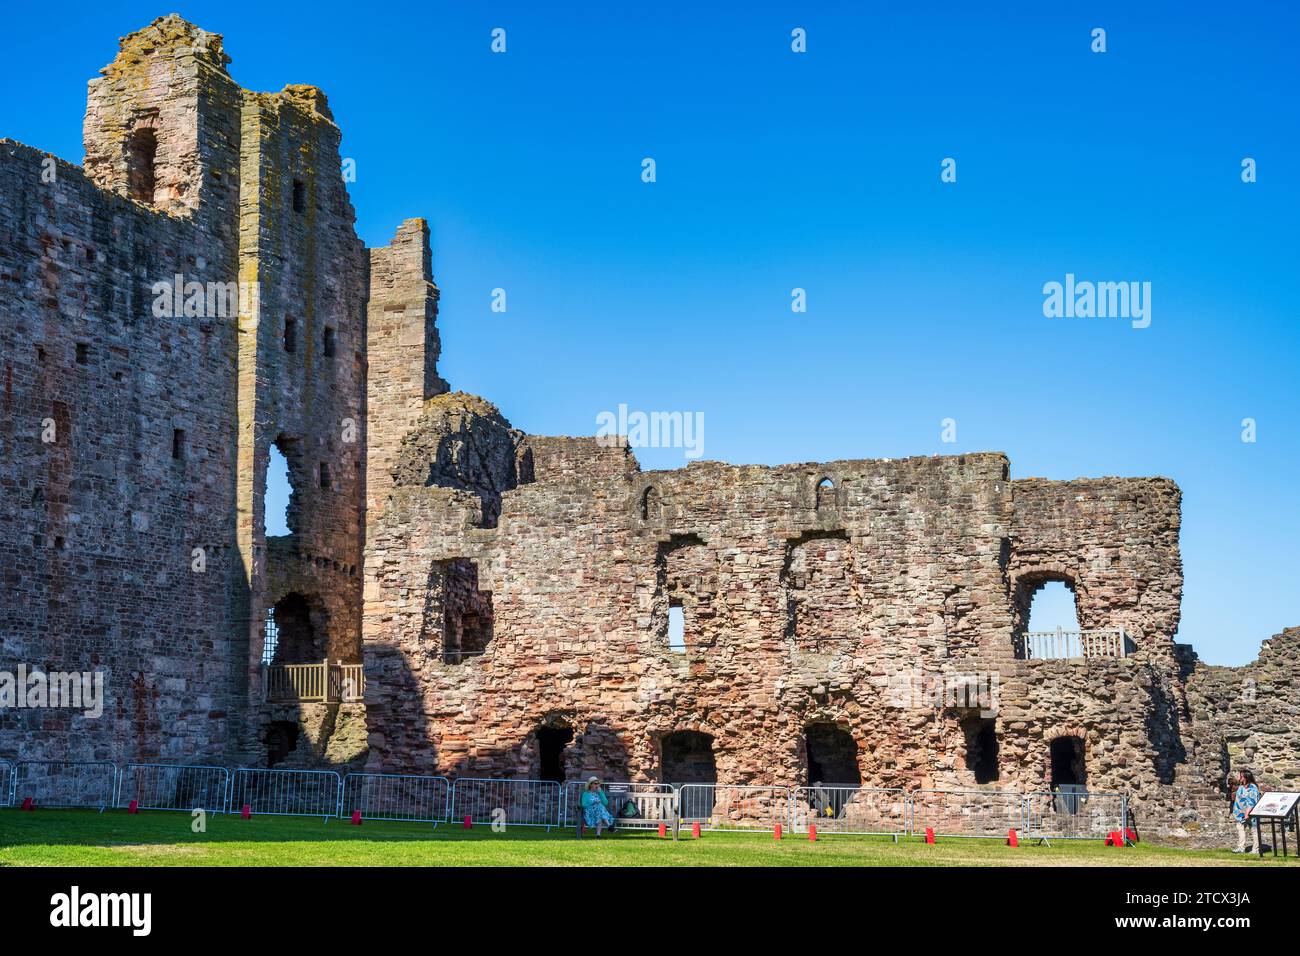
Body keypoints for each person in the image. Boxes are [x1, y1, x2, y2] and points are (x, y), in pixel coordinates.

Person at [1231, 769, 1261, 854]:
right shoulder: (1241, 787)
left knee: (1254, 830)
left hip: (1250, 813)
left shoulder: (1252, 788)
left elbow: (1252, 801)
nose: (1238, 777)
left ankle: (1255, 849)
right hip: (1240, 814)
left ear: (1245, 777)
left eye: (1240, 775)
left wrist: (1247, 813)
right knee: (1240, 829)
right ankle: (1241, 848)